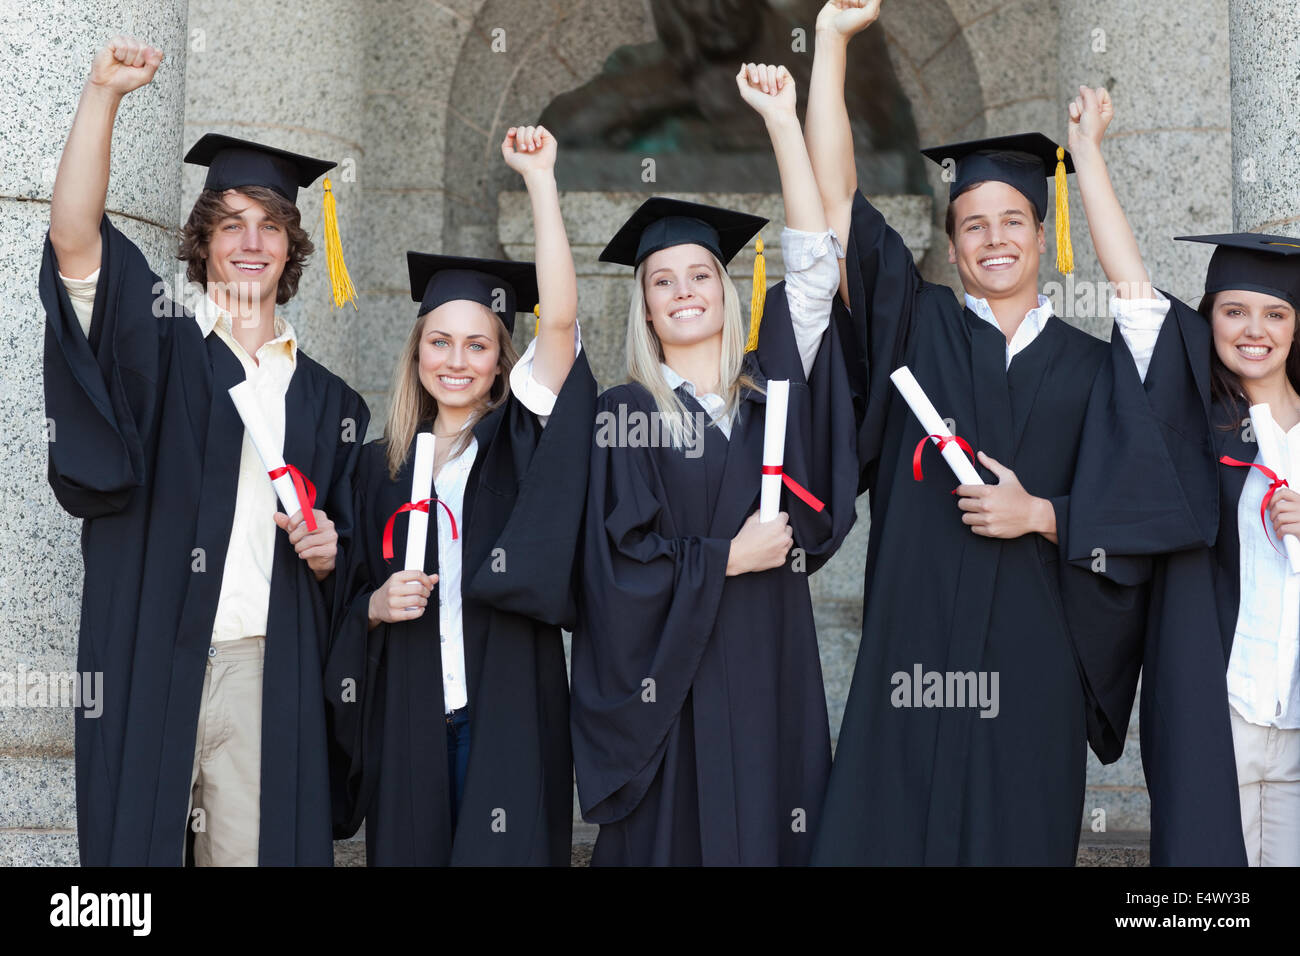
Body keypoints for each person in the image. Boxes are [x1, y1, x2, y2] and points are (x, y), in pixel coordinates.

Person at [805, 1, 1144, 865]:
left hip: (1032, 679)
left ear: (1043, 235)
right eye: (973, 225)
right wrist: (835, 43)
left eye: (1012, 223)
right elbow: (837, 196)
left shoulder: (1095, 367)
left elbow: (1142, 511)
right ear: (951, 247)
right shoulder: (912, 328)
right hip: (911, 666)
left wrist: (1043, 515)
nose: (994, 240)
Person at [41, 36, 369, 865]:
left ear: (295, 245)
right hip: (148, 655)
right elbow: (76, 237)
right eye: (230, 224)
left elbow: (353, 571)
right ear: (202, 241)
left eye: (270, 225)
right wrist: (102, 95)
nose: (250, 242)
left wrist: (331, 554)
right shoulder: (156, 343)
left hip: (266, 670)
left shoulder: (331, 404)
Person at [568, 62, 860, 866]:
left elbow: (812, 272)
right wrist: (728, 559)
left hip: (772, 657)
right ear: (647, 305)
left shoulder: (770, 391)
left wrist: (780, 122)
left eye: (701, 275)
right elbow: (618, 568)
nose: (685, 291)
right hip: (675, 678)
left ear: (727, 292)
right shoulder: (624, 414)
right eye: (663, 281)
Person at [325, 125, 595, 865]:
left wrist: (540, 179)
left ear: (502, 360)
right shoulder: (375, 468)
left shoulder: (520, 442)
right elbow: (340, 596)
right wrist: (374, 609)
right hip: (408, 705)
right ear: (415, 353)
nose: (456, 360)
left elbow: (562, 322)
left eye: (478, 345)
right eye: (440, 341)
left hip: (506, 699)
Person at [1067, 85, 1300, 866]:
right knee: (1207, 897)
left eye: (1275, 315)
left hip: (1298, 714)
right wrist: (1089, 153)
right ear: (1210, 318)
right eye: (1234, 311)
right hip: (1219, 709)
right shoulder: (1197, 414)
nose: (1254, 331)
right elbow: (1130, 286)